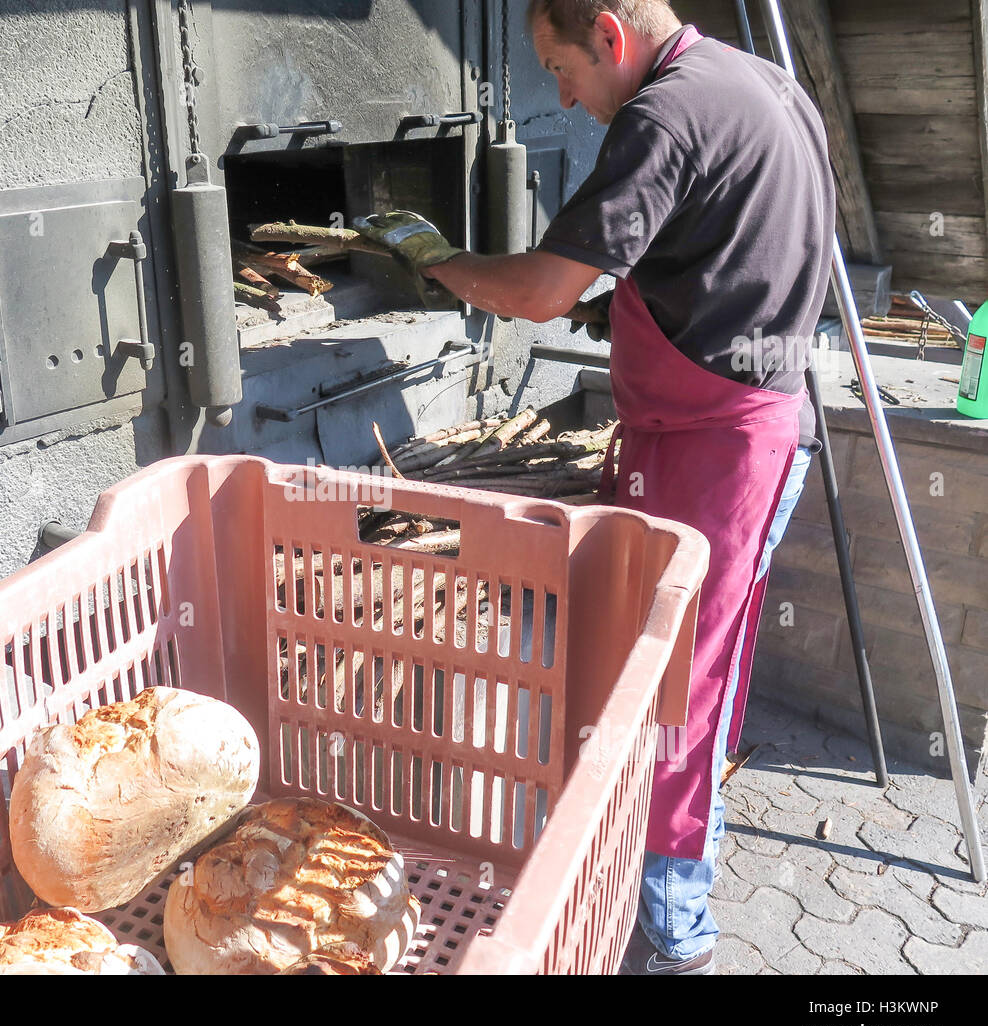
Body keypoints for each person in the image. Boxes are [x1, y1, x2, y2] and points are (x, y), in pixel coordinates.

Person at [353, 0, 834, 974]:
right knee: (708, 669)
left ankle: (669, 938)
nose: (565, 101)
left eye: (559, 70)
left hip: (719, 447)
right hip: (764, 429)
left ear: (609, 35)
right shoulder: (763, 85)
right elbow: (731, 246)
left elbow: (535, 293)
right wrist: (633, 304)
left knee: (670, 694)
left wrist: (440, 264)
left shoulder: (663, 113)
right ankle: (671, 861)